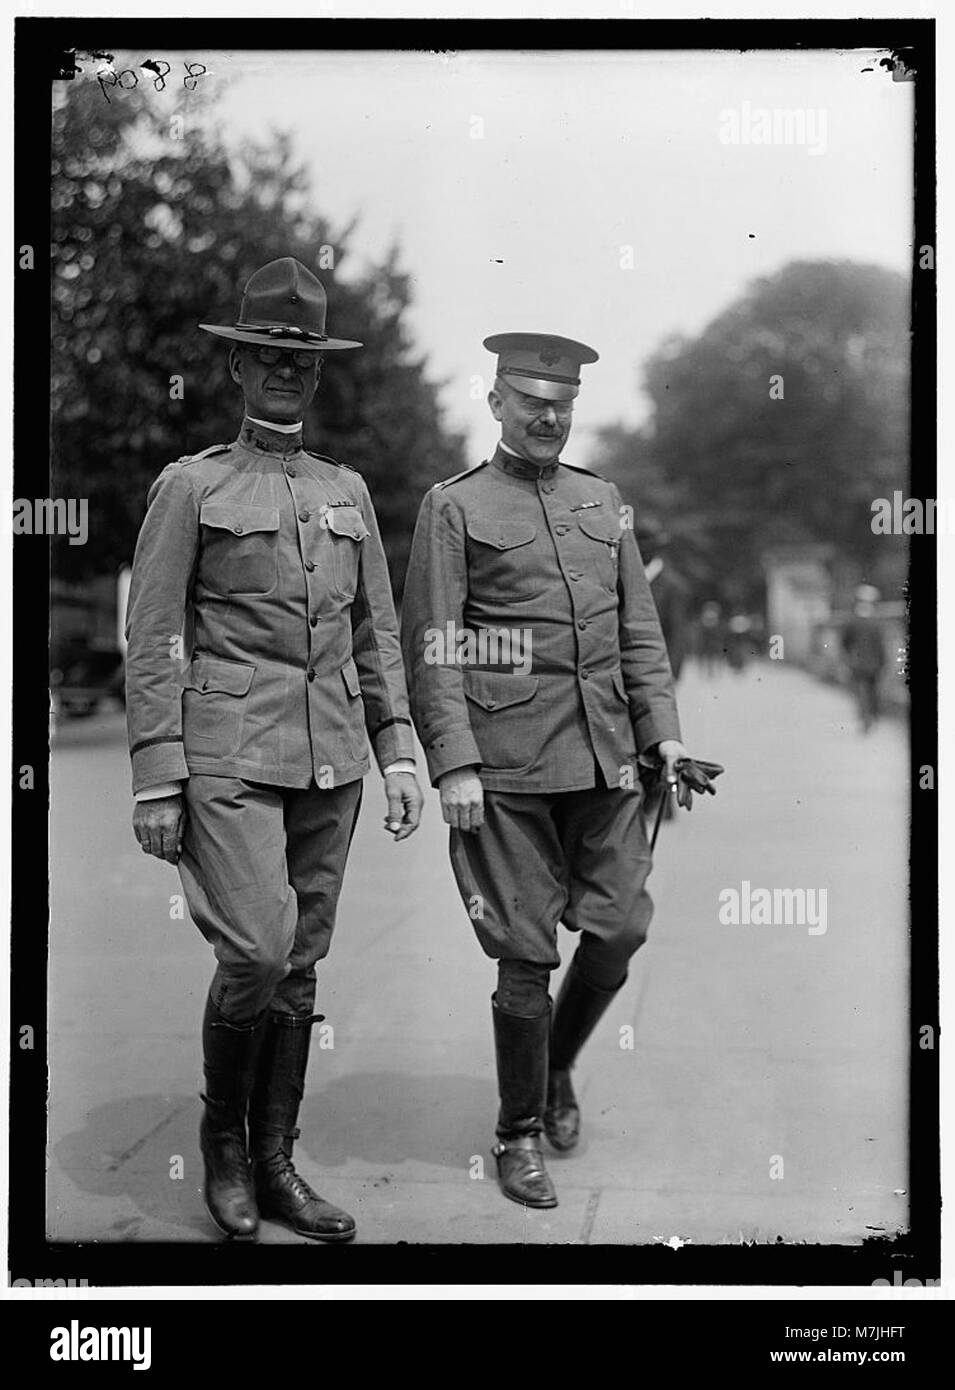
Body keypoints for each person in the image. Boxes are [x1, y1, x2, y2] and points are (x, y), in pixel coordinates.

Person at [125, 257, 423, 1242]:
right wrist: (156, 777)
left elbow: (376, 631)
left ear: (317, 372)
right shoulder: (191, 485)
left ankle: (276, 1163)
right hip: (228, 757)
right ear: (237, 367)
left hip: (331, 758)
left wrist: (399, 751)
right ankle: (222, 1143)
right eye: (267, 355)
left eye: (302, 359)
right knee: (256, 948)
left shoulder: (347, 490)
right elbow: (154, 635)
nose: (286, 371)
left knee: (299, 963)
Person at [401, 331, 695, 1208]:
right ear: (496, 401)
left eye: (561, 405)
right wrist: (453, 762)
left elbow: (638, 632)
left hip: (605, 758)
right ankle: (517, 1129)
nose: (547, 418)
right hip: (506, 769)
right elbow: (434, 644)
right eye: (531, 402)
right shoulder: (454, 506)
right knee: (524, 954)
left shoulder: (602, 501)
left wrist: (663, 735)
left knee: (620, 928)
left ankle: (555, 1065)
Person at [842, 586, 886, 733]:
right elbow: (881, 646)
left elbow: (845, 643)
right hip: (875, 663)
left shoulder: (853, 622)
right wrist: (884, 661)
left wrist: (848, 657)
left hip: (858, 663)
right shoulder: (876, 623)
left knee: (861, 690)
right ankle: (872, 716)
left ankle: (865, 717)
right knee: (872, 689)